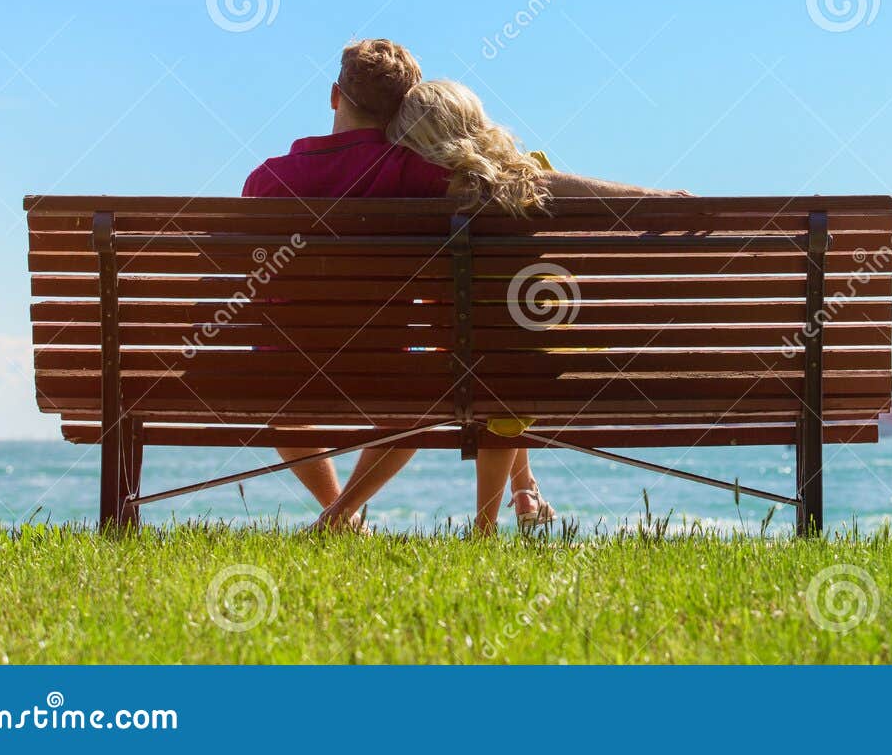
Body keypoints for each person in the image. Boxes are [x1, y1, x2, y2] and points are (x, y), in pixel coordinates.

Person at [389, 78, 687, 535]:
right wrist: (659, 199)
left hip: (456, 361)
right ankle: (495, 517)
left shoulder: (418, 200)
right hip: (532, 356)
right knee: (512, 347)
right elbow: (572, 188)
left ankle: (500, 512)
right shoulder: (528, 179)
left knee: (493, 350)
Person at [242, 38, 444, 532]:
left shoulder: (267, 180)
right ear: (403, 110)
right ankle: (342, 515)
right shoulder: (419, 177)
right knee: (425, 395)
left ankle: (337, 513)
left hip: (283, 373)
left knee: (279, 392)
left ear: (335, 96)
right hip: (387, 368)